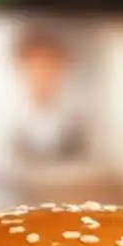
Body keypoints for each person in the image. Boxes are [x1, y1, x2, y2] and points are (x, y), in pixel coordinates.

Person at [12, 26, 88, 163]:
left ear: (62, 71)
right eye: (35, 68)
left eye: (50, 67)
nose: (43, 76)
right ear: (22, 71)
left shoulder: (78, 122)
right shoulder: (10, 122)